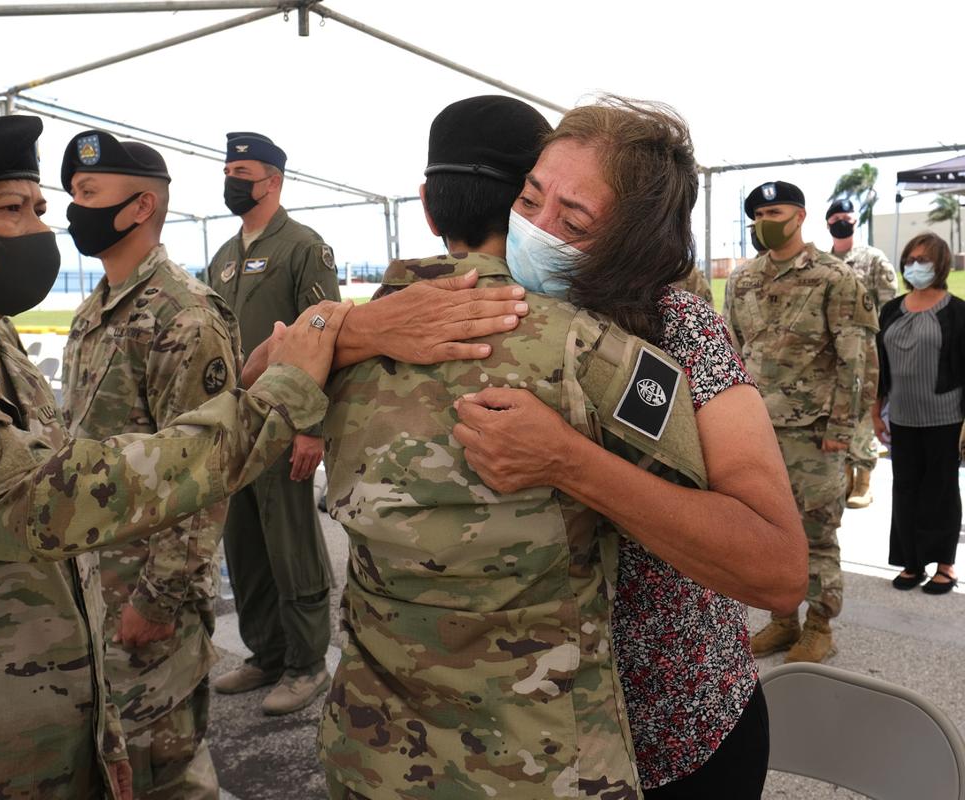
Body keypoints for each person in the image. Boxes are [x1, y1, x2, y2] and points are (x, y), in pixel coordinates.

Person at [0, 115, 346, 800]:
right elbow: (49, 501)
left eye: (38, 208)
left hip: (50, 740)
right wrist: (272, 401)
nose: (40, 227)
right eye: (9, 209)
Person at [320, 95, 799, 799]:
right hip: (522, 752)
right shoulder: (468, 302)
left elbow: (778, 570)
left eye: (572, 222)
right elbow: (264, 374)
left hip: (671, 733)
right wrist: (357, 330)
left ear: (635, 243)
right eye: (529, 199)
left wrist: (571, 463)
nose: (534, 230)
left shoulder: (680, 332)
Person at [60, 131, 236, 798]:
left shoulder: (183, 317)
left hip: (144, 596)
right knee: (116, 766)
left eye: (88, 193)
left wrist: (158, 598)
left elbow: (206, 471)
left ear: (140, 208)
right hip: (95, 584)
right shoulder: (95, 312)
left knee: (164, 772)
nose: (72, 209)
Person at [205, 131, 341, 715]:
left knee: (291, 545)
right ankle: (266, 652)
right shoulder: (222, 256)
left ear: (274, 181)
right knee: (244, 545)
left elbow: (328, 332)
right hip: (238, 425)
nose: (232, 182)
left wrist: (313, 428)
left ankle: (307, 664)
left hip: (286, 423)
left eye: (243, 173)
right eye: (228, 172)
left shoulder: (303, 247)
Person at [725, 180, 878, 663]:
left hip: (813, 436)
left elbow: (857, 361)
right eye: (758, 216)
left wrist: (842, 430)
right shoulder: (742, 280)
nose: (765, 223)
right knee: (766, 530)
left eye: (775, 213)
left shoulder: (835, 278)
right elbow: (730, 353)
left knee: (816, 533)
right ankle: (783, 620)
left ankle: (819, 626)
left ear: (800, 216)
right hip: (756, 433)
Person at [873, 232, 963, 594]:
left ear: (940, 264)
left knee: (941, 490)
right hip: (902, 417)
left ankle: (945, 564)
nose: (914, 266)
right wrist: (876, 411)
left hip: (946, 417)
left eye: (923, 260)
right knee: (906, 489)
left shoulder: (957, 312)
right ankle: (912, 561)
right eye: (910, 259)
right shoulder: (891, 310)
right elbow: (880, 365)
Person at [827, 197, 898, 508]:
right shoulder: (822, 261)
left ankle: (864, 481)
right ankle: (844, 477)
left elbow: (889, 306)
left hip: (867, 350)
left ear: (855, 221)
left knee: (864, 411)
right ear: (827, 223)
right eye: (835, 218)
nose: (841, 222)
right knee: (837, 411)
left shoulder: (873, 259)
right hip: (831, 353)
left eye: (847, 217)